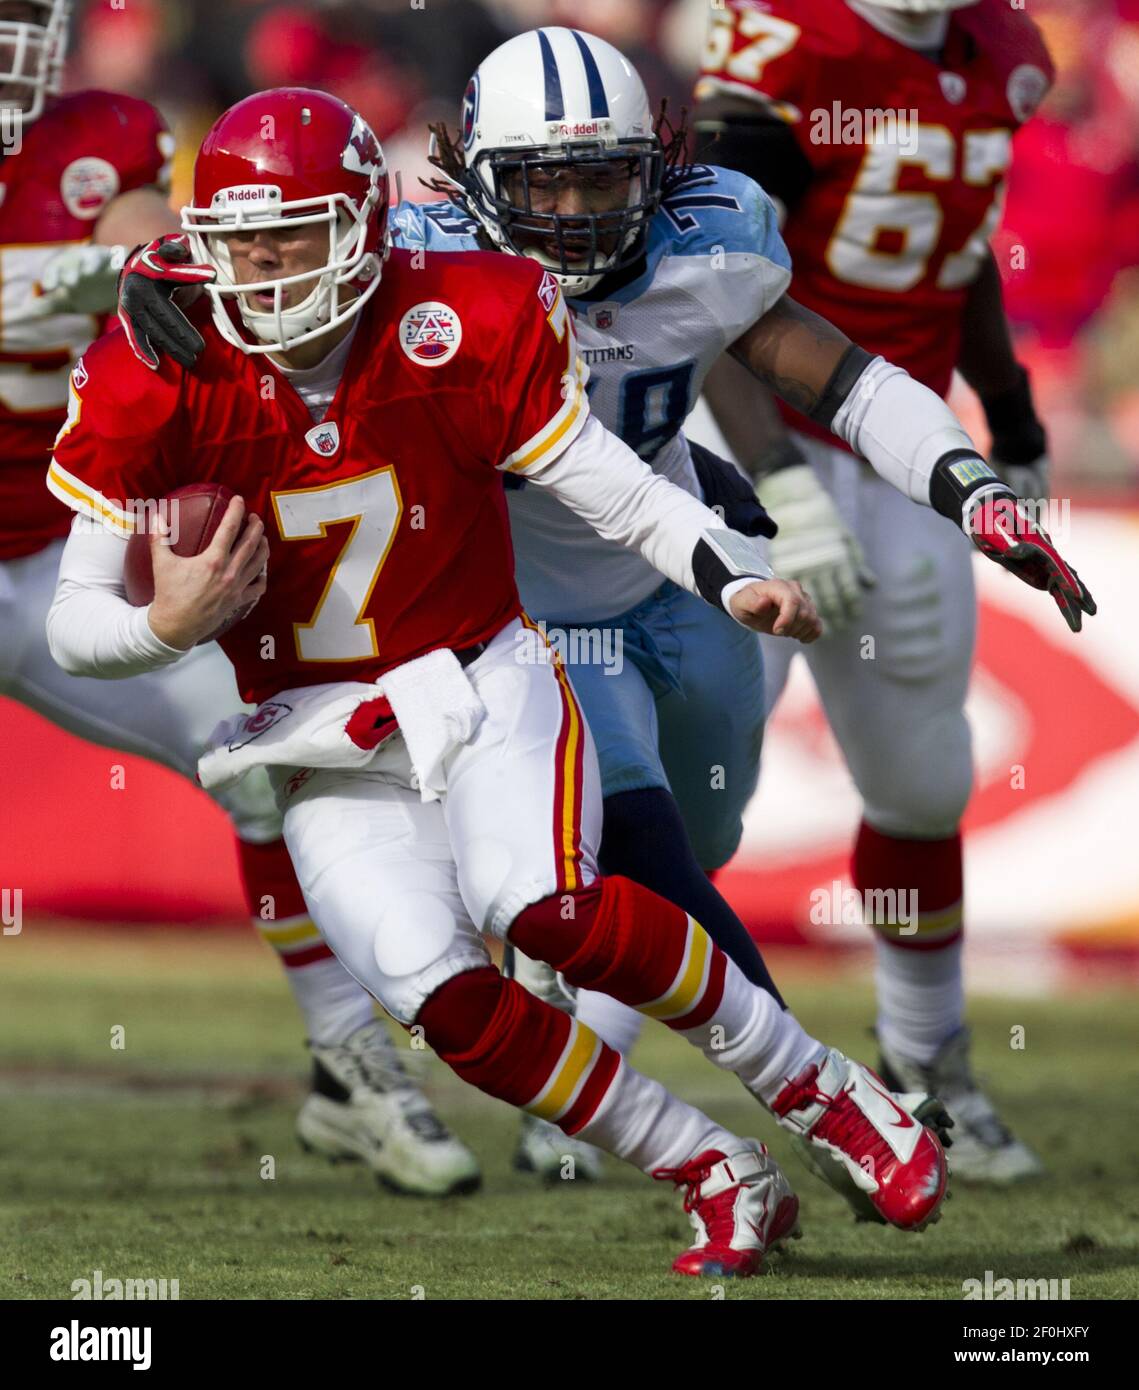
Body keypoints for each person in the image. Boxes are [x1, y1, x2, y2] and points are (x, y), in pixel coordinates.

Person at [48, 86, 959, 1275]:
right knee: (443, 998)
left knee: (548, 906)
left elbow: (606, 482)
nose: (269, 275)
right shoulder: (157, 359)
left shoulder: (457, 315)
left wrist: (727, 572)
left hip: (481, 675)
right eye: (244, 245)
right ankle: (711, 1168)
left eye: (301, 237)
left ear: (367, 227)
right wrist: (165, 624)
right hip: (315, 730)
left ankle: (828, 1092)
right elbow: (73, 624)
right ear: (205, 244)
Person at [0, 0, 478, 1197]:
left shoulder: (92, 136)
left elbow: (161, 250)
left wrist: (145, 261)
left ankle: (348, 1061)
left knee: (259, 763)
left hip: (54, 558)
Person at [694, 0, 1069, 1180]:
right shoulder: (784, 42)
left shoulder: (1002, 52)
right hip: (742, 444)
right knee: (687, 791)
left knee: (919, 778)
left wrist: (1006, 414)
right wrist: (777, 486)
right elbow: (697, 285)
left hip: (904, 449)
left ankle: (921, 1062)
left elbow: (954, 263)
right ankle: (584, 1074)